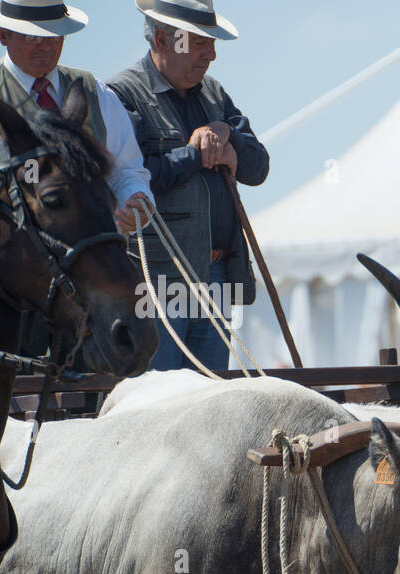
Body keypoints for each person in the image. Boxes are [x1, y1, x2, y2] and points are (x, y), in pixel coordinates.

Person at [0, 0, 154, 358]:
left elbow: (126, 170)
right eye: (34, 37)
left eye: (55, 36)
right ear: (2, 33)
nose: (46, 45)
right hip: (2, 297)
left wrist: (134, 200)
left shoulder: (98, 95)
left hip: (84, 290)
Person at [108, 0, 268, 373]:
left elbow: (259, 167)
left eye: (211, 43)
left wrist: (230, 138)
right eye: (199, 43)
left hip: (216, 274)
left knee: (211, 403)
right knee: (160, 404)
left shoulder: (215, 95)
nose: (211, 54)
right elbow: (131, 176)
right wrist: (195, 153)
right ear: (163, 40)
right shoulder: (121, 94)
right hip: (158, 279)